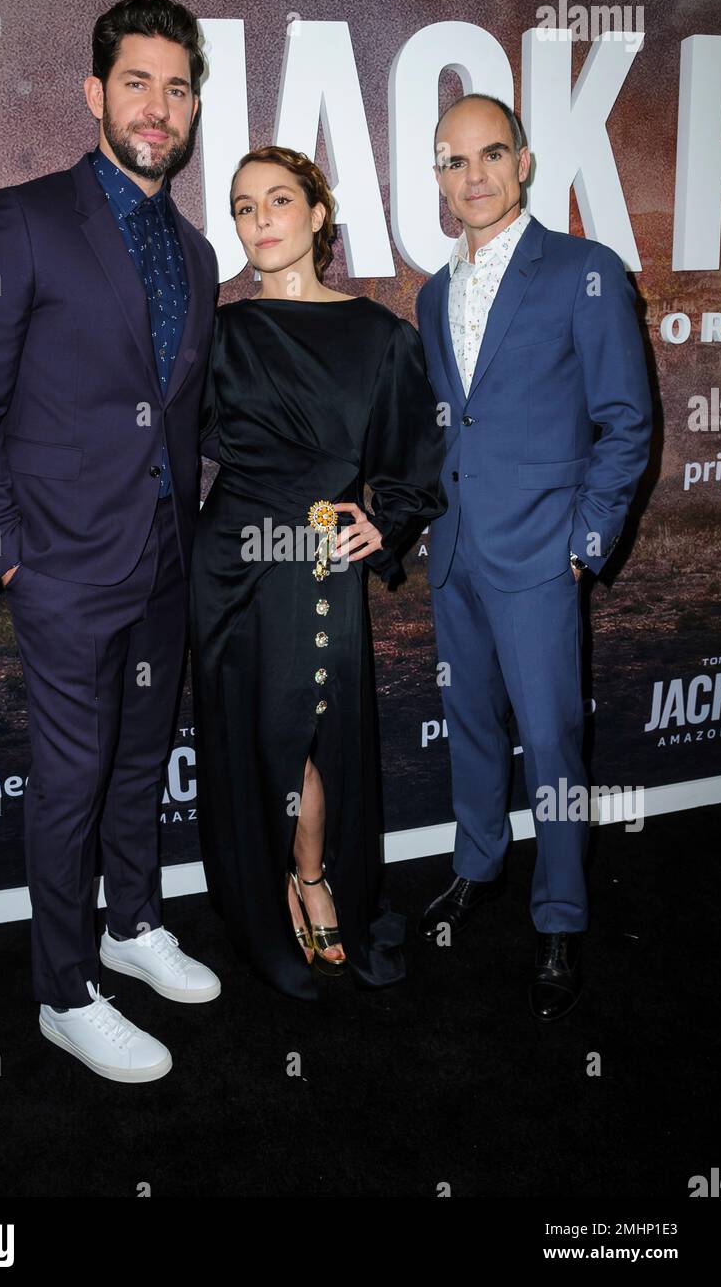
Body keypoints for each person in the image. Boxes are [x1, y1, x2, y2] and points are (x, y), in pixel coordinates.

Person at [0, 0, 222, 1082]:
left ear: (194, 106)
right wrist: (4, 547)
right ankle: (64, 990)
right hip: (59, 562)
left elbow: (176, 413)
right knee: (69, 780)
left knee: (141, 759)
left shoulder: (194, 254)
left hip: (161, 559)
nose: (158, 107)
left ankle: (132, 922)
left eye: (178, 86)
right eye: (138, 83)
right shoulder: (26, 218)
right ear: (95, 93)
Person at [191, 146, 447, 1001]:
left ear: (317, 215)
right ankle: (271, 896)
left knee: (312, 727)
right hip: (230, 557)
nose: (258, 220)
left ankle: (313, 876)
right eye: (240, 207)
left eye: (276, 201)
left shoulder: (381, 336)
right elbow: (182, 439)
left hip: (316, 552)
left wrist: (388, 519)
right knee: (248, 734)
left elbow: (413, 464)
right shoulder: (219, 333)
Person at [416, 93, 652, 1020]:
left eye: (489, 155)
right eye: (451, 160)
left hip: (540, 559)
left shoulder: (584, 272)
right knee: (470, 727)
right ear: (437, 178)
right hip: (456, 555)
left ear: (522, 163)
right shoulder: (433, 292)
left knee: (552, 743)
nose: (471, 176)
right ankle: (477, 867)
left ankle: (560, 913)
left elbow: (625, 424)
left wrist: (582, 547)